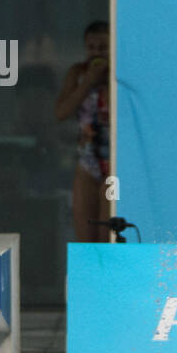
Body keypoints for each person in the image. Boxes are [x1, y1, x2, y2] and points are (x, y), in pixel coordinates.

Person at [54, 21, 111, 242]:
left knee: (106, 234)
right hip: (87, 161)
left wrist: (105, 82)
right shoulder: (78, 73)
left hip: (113, 162)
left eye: (103, 48)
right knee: (85, 233)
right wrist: (87, 82)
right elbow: (61, 112)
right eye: (92, 48)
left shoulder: (117, 75)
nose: (97, 53)